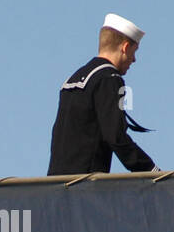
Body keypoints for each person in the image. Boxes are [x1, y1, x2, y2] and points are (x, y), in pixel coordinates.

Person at [48, 13, 155, 175]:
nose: (134, 60)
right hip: (84, 185)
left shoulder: (73, 79)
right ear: (125, 47)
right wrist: (151, 170)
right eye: (134, 52)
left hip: (56, 184)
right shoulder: (110, 79)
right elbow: (115, 136)